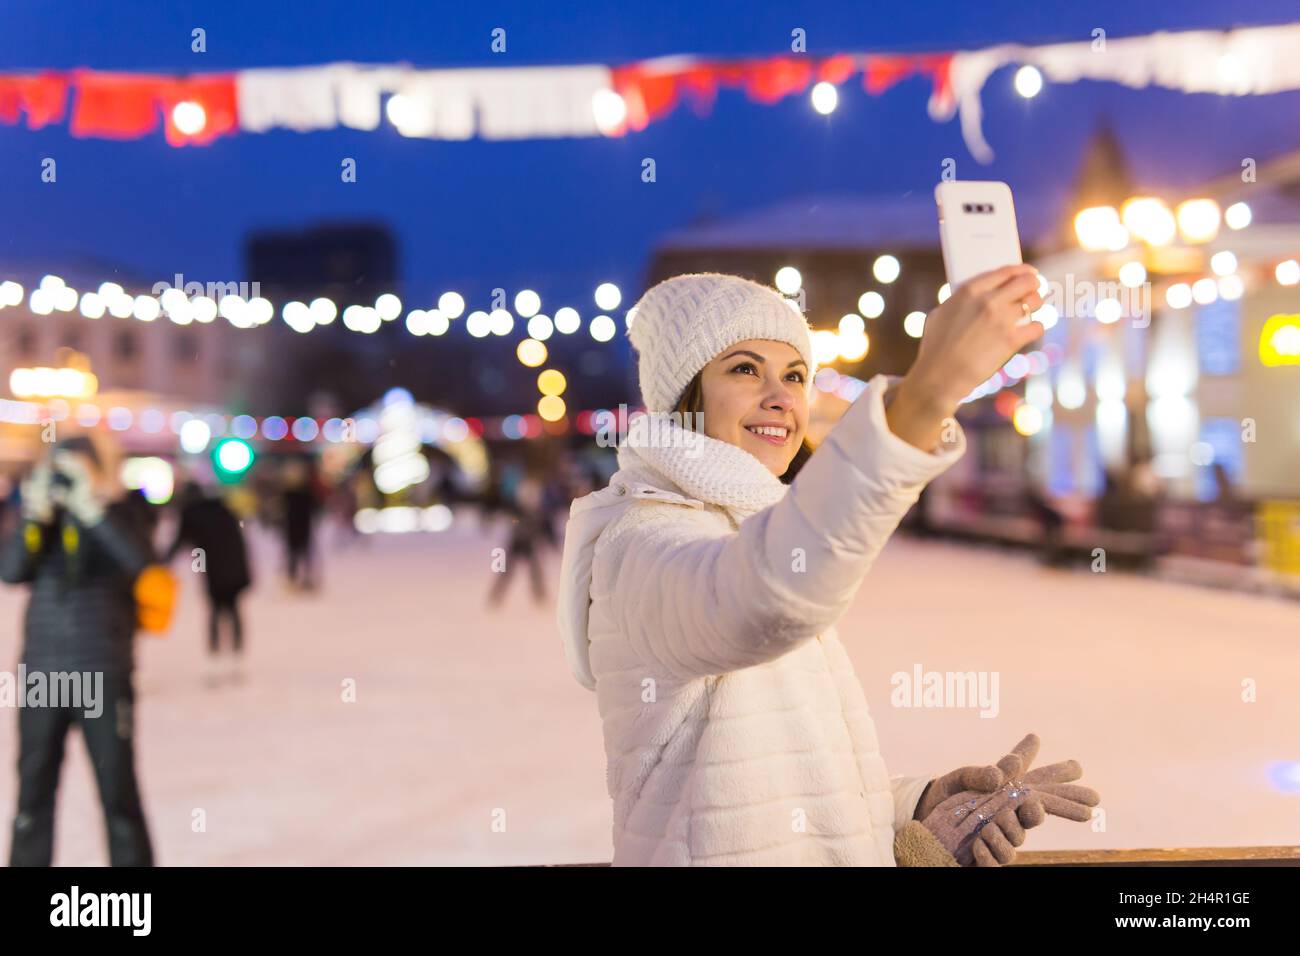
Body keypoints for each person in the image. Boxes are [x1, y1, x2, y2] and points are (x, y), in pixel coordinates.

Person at [557, 270, 1100, 866]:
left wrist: (918, 810)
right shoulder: (645, 540)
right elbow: (766, 600)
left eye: (795, 375)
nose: (781, 397)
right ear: (684, 396)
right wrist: (926, 395)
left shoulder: (747, 528)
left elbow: (783, 789)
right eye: (744, 369)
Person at [2, 435, 155, 866]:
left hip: (102, 669)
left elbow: (140, 562)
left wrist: (93, 509)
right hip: (43, 672)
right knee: (32, 794)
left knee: (118, 793)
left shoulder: (123, 510)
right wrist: (34, 516)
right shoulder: (42, 518)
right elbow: (11, 571)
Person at [167, 482, 252, 685]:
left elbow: (180, 541)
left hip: (215, 571)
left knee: (216, 611)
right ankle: (235, 657)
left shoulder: (192, 513)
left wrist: (162, 563)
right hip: (235, 568)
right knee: (232, 610)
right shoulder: (223, 509)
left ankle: (218, 657)